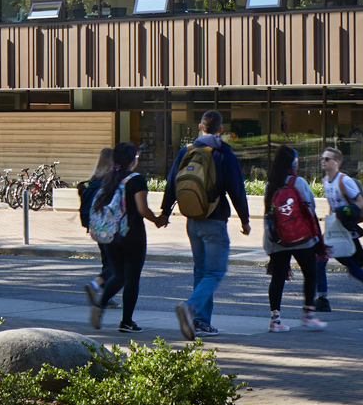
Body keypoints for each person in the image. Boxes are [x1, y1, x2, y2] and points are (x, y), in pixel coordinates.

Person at [158, 110, 250, 340]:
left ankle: (200, 322)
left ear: (200, 127)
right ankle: (191, 307)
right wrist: (245, 220)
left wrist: (164, 213)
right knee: (215, 271)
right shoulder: (224, 154)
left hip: (192, 221)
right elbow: (237, 190)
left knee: (201, 271)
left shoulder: (186, 151)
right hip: (214, 220)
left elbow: (171, 184)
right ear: (221, 130)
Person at [87, 143, 165, 334]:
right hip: (132, 235)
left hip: (111, 235)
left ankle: (100, 304)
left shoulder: (109, 178)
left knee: (119, 275)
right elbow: (142, 209)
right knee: (132, 278)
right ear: (132, 160)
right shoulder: (136, 179)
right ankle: (126, 322)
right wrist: (157, 220)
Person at [315, 147, 363, 314]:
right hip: (334, 229)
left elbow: (361, 202)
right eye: (322, 158)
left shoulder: (344, 181)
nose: (323, 161)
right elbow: (331, 206)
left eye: (327, 159)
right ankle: (322, 300)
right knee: (319, 260)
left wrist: (345, 211)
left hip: (346, 231)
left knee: (353, 268)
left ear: (337, 162)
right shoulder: (325, 181)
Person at [262, 147, 326, 332]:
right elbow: (310, 206)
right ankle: (309, 314)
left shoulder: (270, 185)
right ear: (294, 164)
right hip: (300, 237)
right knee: (310, 272)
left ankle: (275, 320)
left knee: (278, 277)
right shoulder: (298, 182)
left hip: (277, 239)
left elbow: (268, 213)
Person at [77, 146, 117, 303]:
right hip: (109, 227)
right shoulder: (110, 181)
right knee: (116, 262)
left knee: (107, 260)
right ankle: (96, 285)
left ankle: (107, 297)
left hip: (94, 226)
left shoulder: (93, 181)